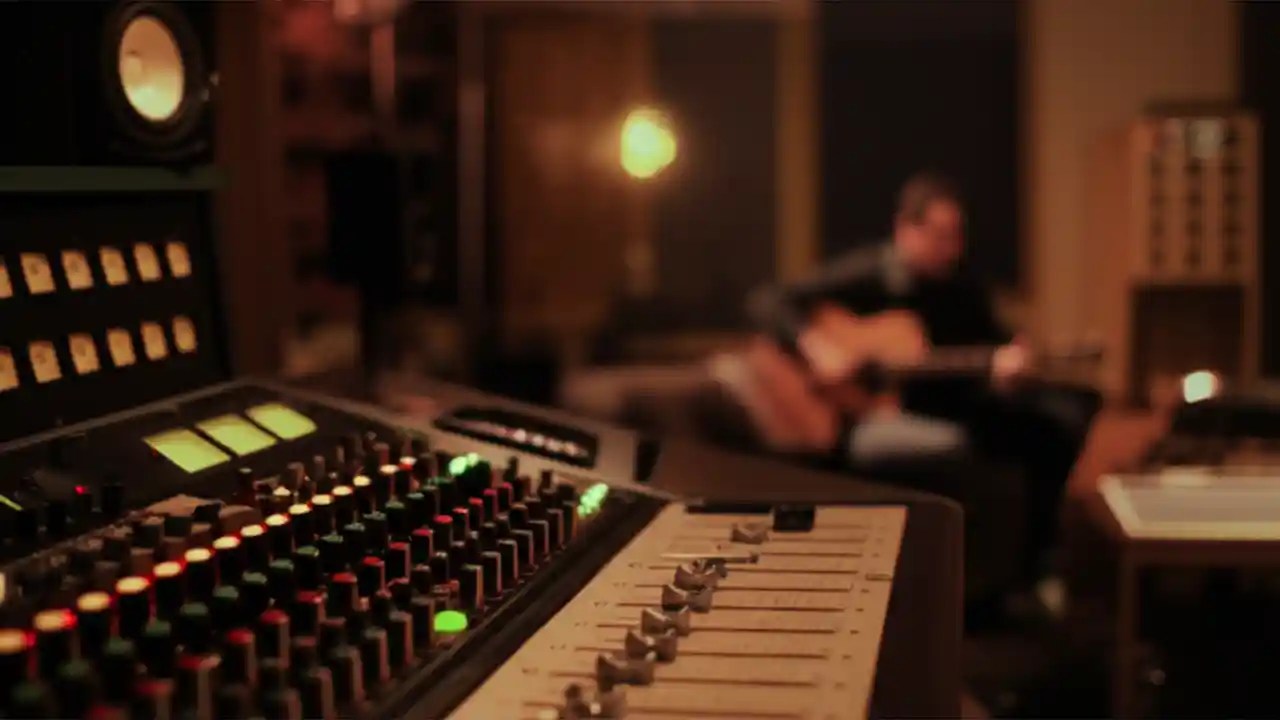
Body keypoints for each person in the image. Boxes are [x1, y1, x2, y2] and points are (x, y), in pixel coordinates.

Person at [742, 171, 1099, 586]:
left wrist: (1007, 369)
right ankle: (1020, 575)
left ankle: (1032, 569)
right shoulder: (870, 273)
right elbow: (768, 300)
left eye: (956, 235)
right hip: (885, 411)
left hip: (958, 398)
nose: (950, 248)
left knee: (1071, 408)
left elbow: (991, 347)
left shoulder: (964, 285)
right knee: (1044, 433)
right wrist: (816, 346)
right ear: (905, 229)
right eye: (938, 235)